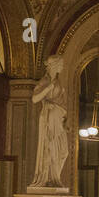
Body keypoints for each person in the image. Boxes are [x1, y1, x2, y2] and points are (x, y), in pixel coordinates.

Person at [29, 57, 69, 189]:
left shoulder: (58, 82)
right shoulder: (45, 81)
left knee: (64, 151)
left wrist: (64, 120)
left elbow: (63, 103)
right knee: (50, 147)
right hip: (48, 117)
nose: (62, 67)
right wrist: (48, 88)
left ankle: (55, 177)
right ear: (54, 65)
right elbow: (35, 99)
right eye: (61, 64)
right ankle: (49, 178)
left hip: (58, 117)